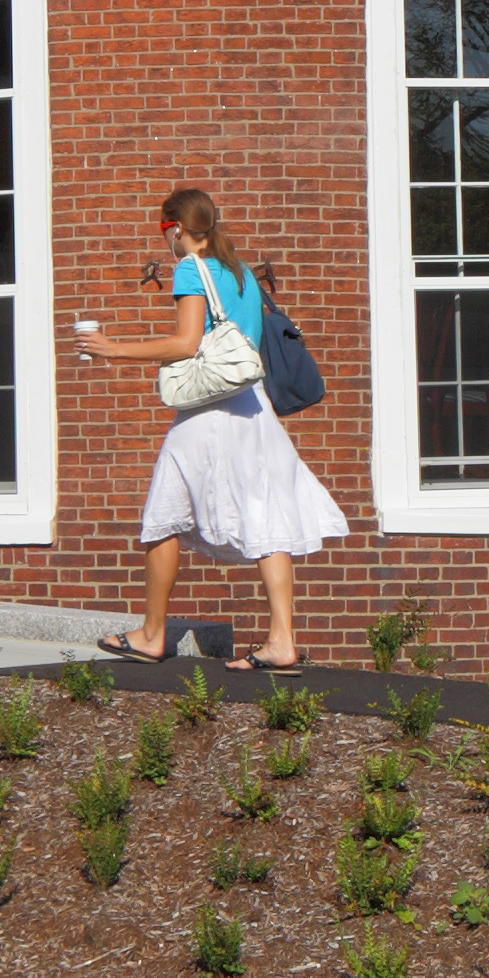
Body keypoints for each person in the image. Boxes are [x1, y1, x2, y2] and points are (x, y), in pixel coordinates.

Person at [71, 184, 345, 668]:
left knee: (162, 517)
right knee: (268, 519)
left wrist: (113, 349)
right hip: (254, 410)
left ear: (176, 228)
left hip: (209, 415)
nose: (165, 240)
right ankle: (282, 641)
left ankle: (153, 634)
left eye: (163, 231)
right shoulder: (241, 272)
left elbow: (186, 342)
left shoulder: (189, 268)